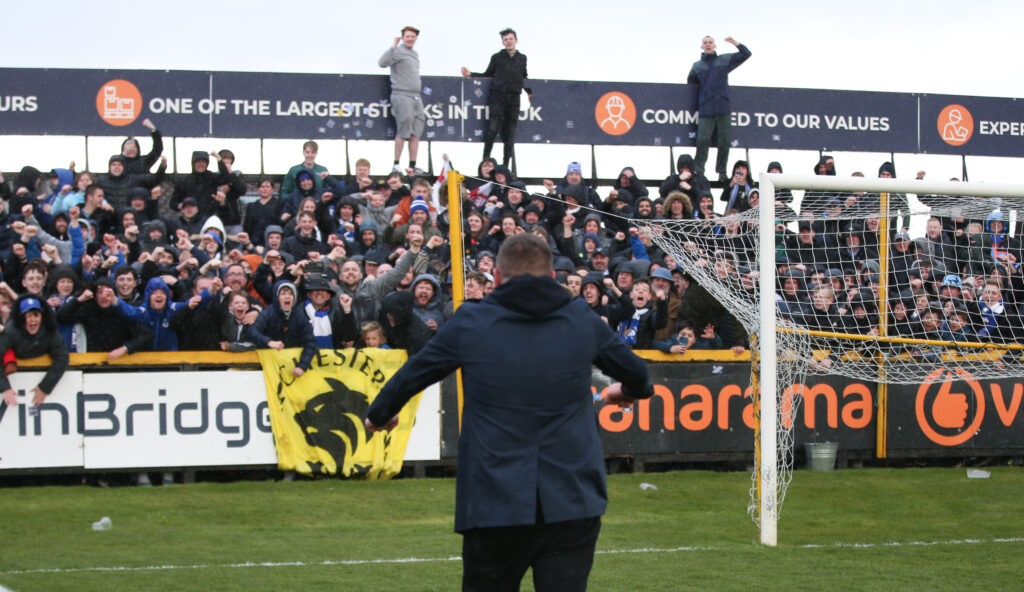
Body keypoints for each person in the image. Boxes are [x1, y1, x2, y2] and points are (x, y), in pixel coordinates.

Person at [365, 233, 653, 591]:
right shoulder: (580, 317)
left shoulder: (471, 321)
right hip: (571, 498)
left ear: (497, 279)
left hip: (494, 500)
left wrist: (379, 415)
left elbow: (412, 375)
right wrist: (621, 391)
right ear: (552, 278)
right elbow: (640, 377)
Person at [461, 28, 532, 167]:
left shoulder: (522, 58)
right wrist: (471, 74)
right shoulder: (497, 57)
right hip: (498, 96)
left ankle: (506, 165)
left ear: (516, 40)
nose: (509, 41)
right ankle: (486, 161)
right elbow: (488, 74)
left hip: (514, 97)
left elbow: (524, 77)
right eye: (506, 39)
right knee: (492, 130)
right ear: (502, 42)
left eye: (511, 39)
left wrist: (529, 92)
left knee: (510, 134)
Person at [687, 35, 751, 182]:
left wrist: (735, 43)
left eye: (710, 43)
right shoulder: (697, 66)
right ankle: (699, 170)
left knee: (724, 141)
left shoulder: (723, 60)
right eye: (705, 43)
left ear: (715, 46)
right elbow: (690, 84)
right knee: (702, 140)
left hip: (723, 108)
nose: (708, 45)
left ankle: (722, 172)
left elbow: (746, 54)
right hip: (706, 109)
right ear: (701, 46)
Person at [0, 295, 69, 408]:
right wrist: (4, 388)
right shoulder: (11, 330)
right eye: (28, 316)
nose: (32, 320)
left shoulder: (50, 330)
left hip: (38, 378)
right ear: (21, 318)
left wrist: (45, 387)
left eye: (36, 315)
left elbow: (62, 358)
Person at [379, 26, 426, 176]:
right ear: (403, 37)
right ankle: (397, 164)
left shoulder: (415, 53)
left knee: (416, 131)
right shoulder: (397, 51)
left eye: (413, 37)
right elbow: (382, 62)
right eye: (407, 36)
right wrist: (393, 46)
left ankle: (412, 165)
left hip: (416, 95)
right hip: (401, 94)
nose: (410, 39)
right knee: (403, 128)